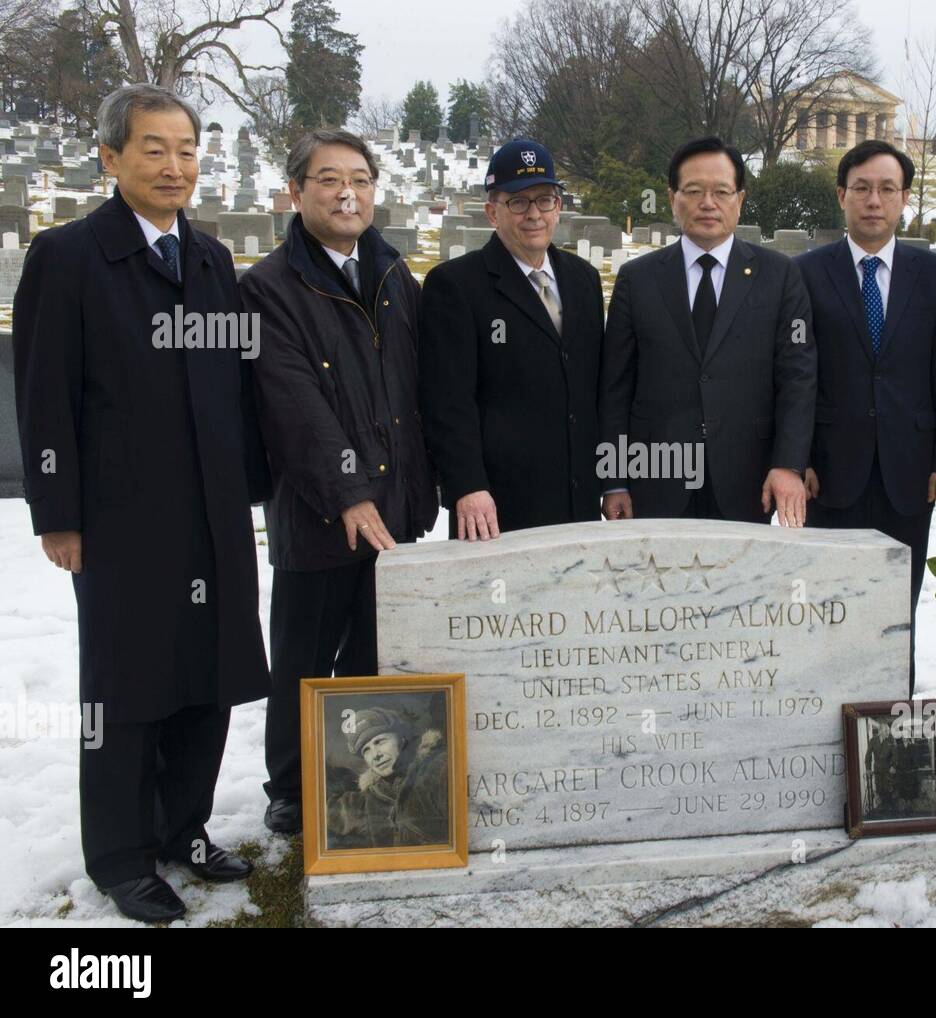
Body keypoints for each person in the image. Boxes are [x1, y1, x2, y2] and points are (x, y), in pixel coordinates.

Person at [12, 83, 269, 923]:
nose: (174, 166)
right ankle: (121, 855)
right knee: (126, 689)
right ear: (111, 158)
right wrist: (59, 512)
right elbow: (44, 393)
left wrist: (249, 490)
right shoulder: (70, 256)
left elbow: (231, 386)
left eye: (188, 149)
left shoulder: (211, 258)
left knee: (206, 673)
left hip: (210, 511)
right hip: (122, 518)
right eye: (154, 149)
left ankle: (182, 826)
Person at [241, 129, 438, 835]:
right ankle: (291, 784)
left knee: (371, 650)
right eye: (328, 179)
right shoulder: (268, 288)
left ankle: (356, 777)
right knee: (304, 653)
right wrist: (348, 492)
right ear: (297, 193)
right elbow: (294, 406)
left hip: (396, 504)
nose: (347, 192)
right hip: (322, 509)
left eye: (359, 178)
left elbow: (414, 386)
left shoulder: (392, 273)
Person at [795, 140, 936, 690]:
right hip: (829, 474)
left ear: (904, 199)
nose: (874, 201)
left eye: (887, 189)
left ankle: (891, 731)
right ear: (841, 195)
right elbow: (795, 376)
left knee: (896, 612)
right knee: (830, 609)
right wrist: (796, 459)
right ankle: (824, 725)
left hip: (907, 474)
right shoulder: (805, 273)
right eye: (862, 188)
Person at [600, 136, 816, 525]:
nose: (708, 203)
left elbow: (797, 377)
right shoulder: (639, 279)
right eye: (694, 191)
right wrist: (614, 478)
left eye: (721, 191)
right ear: (672, 197)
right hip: (655, 474)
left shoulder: (780, 276)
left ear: (740, 198)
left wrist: (788, 464)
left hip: (747, 478)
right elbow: (616, 385)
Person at [420, 138, 605, 539]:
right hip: (497, 507)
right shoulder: (455, 286)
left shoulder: (584, 280)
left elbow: (594, 387)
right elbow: (447, 402)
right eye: (518, 202)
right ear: (492, 212)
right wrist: (467, 485)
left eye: (545, 200)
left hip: (579, 499)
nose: (533, 214)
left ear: (559, 206)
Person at [327, 707, 449, 848]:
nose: (375, 755)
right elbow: (331, 811)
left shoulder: (439, 769)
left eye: (379, 742)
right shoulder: (374, 795)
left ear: (402, 737)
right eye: (366, 750)